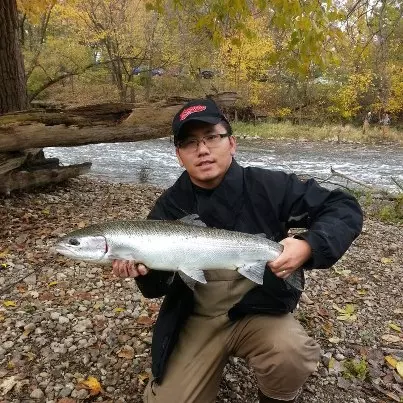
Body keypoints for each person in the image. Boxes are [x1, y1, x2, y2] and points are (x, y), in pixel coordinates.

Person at [112, 99, 363, 403]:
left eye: (211, 137)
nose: (202, 150)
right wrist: (142, 271)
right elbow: (154, 288)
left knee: (292, 354)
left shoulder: (270, 186)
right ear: (179, 156)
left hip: (258, 309)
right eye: (189, 143)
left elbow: (343, 206)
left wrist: (308, 244)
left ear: (232, 143)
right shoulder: (169, 207)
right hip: (195, 316)